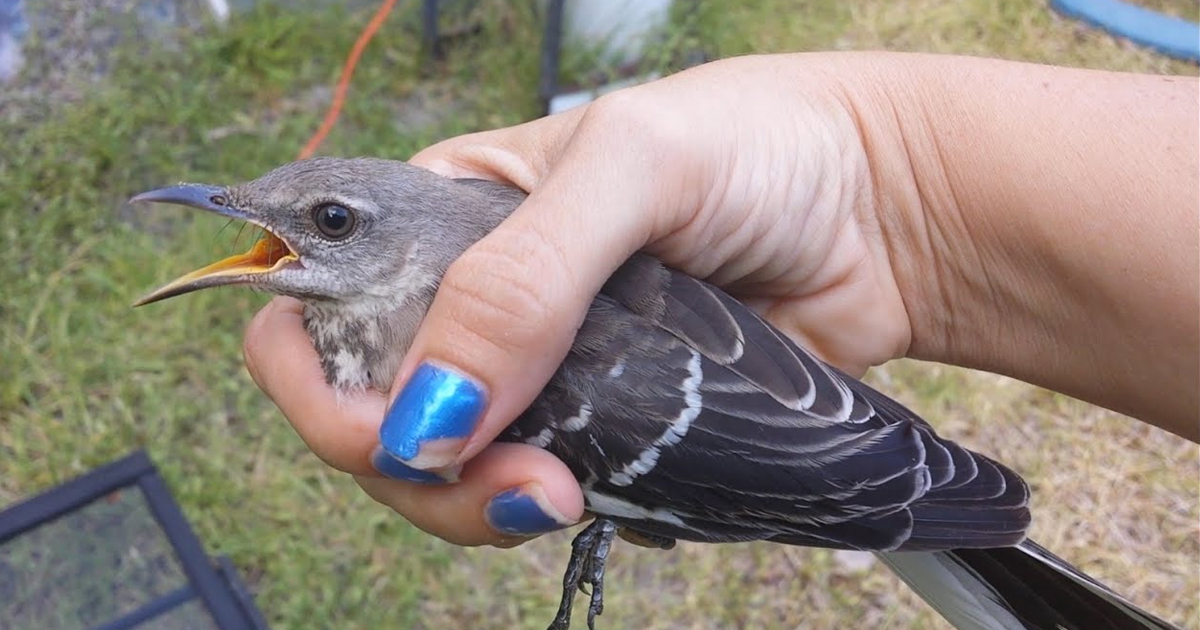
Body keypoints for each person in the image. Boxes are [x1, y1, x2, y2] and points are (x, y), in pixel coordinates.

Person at [241, 52, 1198, 547]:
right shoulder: (491, 221)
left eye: (333, 222)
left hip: (786, 448)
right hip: (783, 412)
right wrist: (880, 196)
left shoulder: (473, 275)